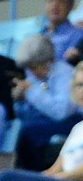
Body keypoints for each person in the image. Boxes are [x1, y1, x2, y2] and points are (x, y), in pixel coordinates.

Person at [0, 66, 83, 181]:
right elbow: (54, 169)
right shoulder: (78, 128)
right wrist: (38, 178)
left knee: (6, 178)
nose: (82, 90)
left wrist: (58, 177)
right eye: (79, 85)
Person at [12, 34, 78, 173]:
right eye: (28, 68)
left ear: (47, 61)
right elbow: (25, 115)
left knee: (27, 133)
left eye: (34, 67)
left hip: (72, 121)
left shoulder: (64, 73)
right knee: (19, 130)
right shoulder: (34, 76)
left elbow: (61, 112)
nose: (31, 72)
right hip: (48, 124)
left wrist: (30, 92)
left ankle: (37, 175)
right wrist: (20, 101)